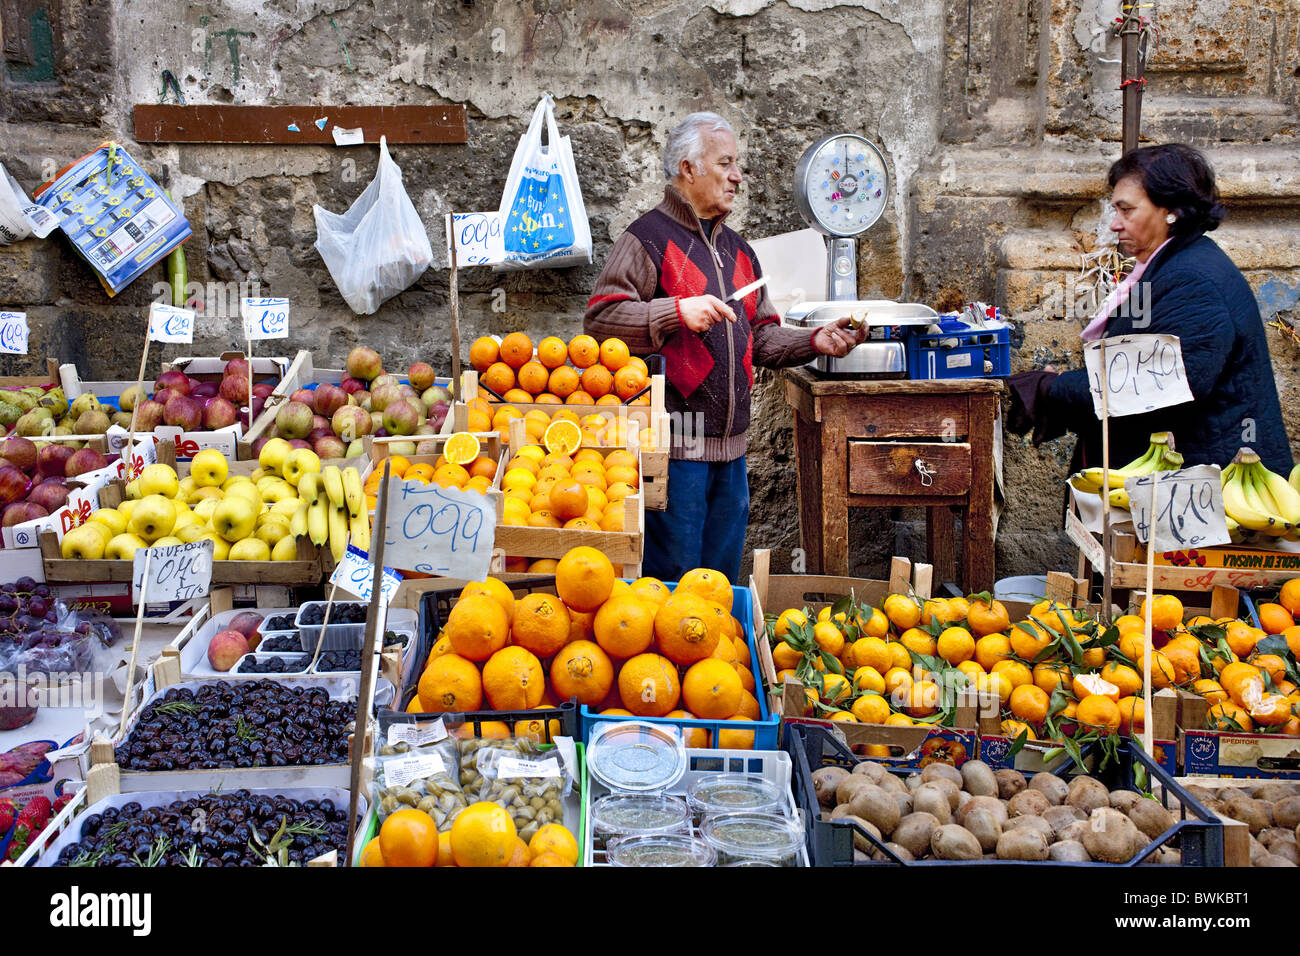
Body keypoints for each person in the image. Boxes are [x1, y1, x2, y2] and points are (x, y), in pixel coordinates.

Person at [585, 112, 866, 583]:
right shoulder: (646, 239)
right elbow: (600, 321)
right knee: (670, 588)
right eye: (726, 163)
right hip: (672, 453)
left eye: (739, 164)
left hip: (732, 455)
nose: (738, 176)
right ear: (688, 169)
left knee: (717, 588)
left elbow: (761, 336)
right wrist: (675, 312)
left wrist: (813, 341)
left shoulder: (740, 250)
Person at [1009, 143, 1292, 476]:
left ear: (1170, 209)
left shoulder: (1192, 278)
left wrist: (1054, 389)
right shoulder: (1177, 263)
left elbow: (1156, 386)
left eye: (1126, 210)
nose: (1115, 224)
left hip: (1206, 490)